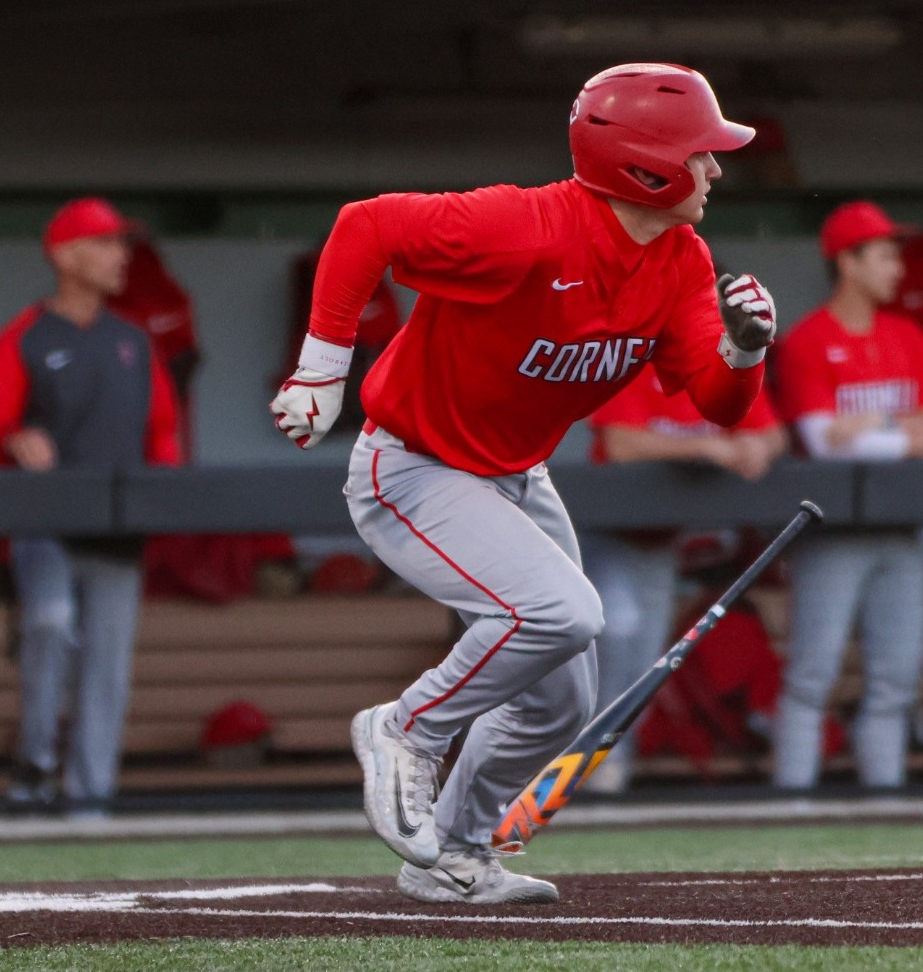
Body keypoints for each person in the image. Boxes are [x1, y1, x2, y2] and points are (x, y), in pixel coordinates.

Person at [268, 63, 774, 905]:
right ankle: (403, 733)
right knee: (563, 612)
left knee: (557, 699)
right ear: (645, 168)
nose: (715, 170)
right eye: (700, 154)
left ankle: (456, 858)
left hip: (512, 474)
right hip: (413, 463)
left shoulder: (681, 258)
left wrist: (746, 348)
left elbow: (718, 404)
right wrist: (321, 368)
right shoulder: (526, 226)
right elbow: (366, 228)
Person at [0, 198, 182, 817]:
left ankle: (90, 802)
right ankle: (33, 766)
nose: (122, 255)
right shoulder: (27, 335)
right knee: (51, 623)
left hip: (118, 532)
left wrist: (159, 494)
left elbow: (164, 430)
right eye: (107, 243)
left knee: (108, 670)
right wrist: (12, 440)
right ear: (65, 255)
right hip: (45, 526)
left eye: (122, 243)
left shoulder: (133, 340)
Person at [770, 201, 923, 790]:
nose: (898, 268)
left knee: (896, 680)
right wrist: (900, 430)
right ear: (846, 263)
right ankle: (789, 813)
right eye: (883, 254)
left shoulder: (909, 336)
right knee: (811, 677)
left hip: (900, 530)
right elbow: (822, 443)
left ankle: (886, 812)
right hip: (830, 533)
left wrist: (869, 427)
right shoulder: (807, 339)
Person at [578, 367, 786, 794]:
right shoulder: (637, 358)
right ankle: (579, 767)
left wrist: (753, 444)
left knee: (645, 668)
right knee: (616, 628)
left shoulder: (719, 366)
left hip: (658, 542)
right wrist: (705, 446)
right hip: (599, 532)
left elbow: (773, 435)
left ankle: (609, 774)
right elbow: (621, 444)